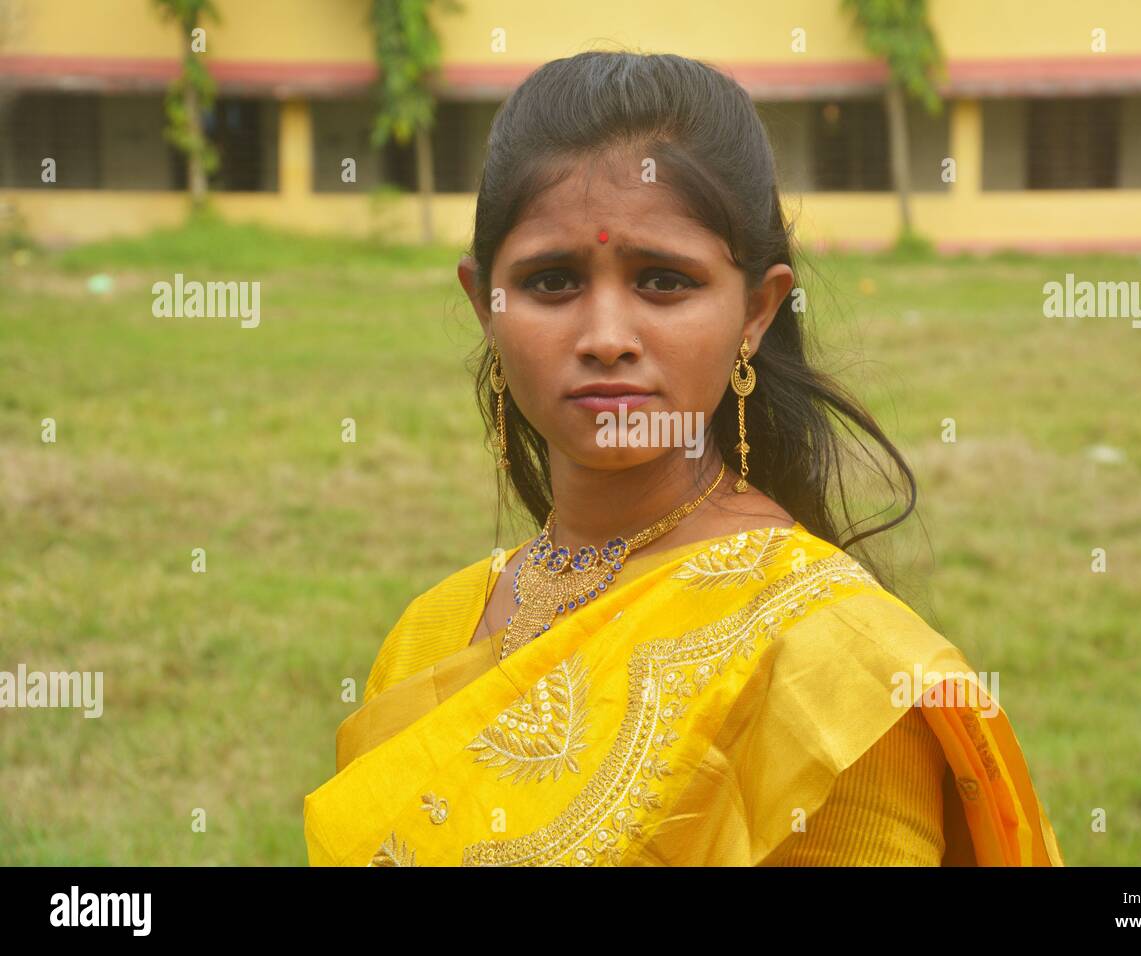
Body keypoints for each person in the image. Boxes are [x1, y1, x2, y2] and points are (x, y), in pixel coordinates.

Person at [303, 50, 1063, 867]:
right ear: (482, 303)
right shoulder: (429, 633)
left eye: (664, 282)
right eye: (551, 281)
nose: (605, 338)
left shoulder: (830, 672)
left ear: (756, 312)